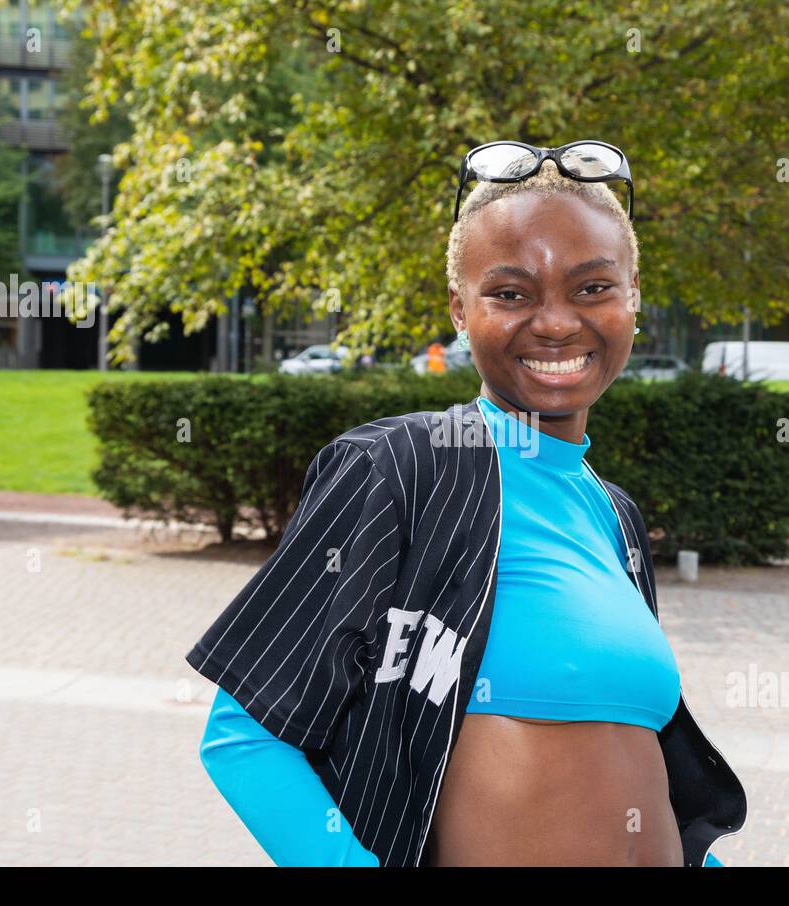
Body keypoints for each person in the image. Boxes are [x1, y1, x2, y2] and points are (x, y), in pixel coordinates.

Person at [189, 140, 746, 866]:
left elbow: (635, 772)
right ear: (460, 309)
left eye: (592, 288)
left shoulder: (615, 515)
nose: (554, 322)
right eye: (511, 293)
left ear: (632, 296)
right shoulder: (404, 468)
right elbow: (245, 735)